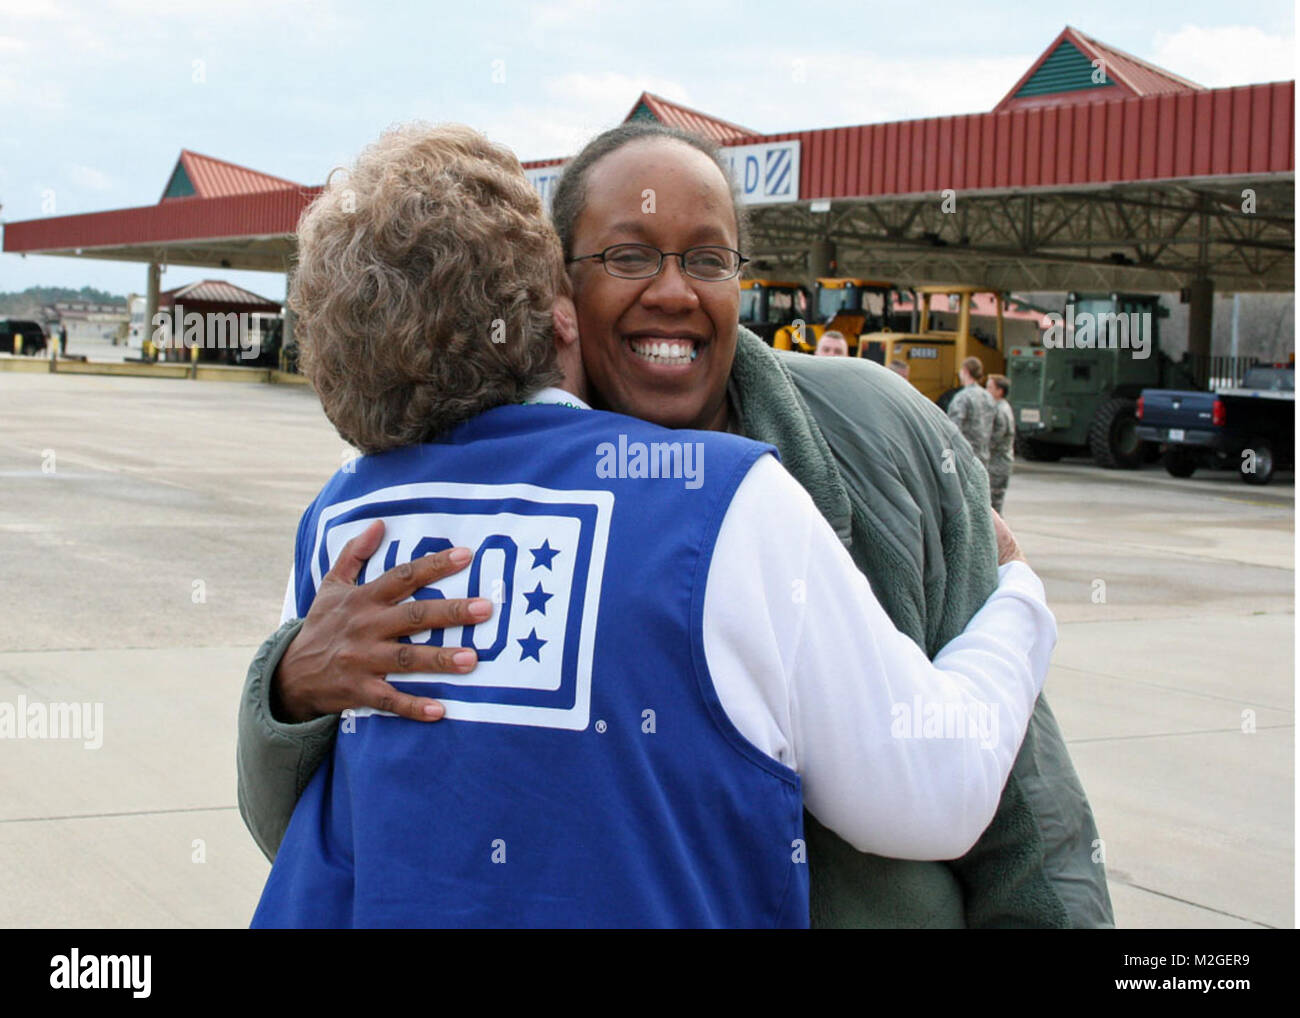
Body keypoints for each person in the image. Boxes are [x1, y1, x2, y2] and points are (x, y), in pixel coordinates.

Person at [238, 122, 1113, 930]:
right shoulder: (724, 502)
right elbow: (935, 789)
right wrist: (287, 688)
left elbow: (1031, 821)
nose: (672, 291)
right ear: (559, 292)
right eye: (627, 255)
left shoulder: (875, 434)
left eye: (708, 259)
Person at [948, 355, 996, 467]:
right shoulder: (988, 396)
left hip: (965, 457)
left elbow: (952, 429)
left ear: (965, 371)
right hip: (983, 456)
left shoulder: (962, 397)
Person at [987, 373, 1015, 514]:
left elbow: (997, 437)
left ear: (1000, 391)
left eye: (990, 387)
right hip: (998, 463)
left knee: (993, 508)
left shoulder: (1000, 410)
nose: (987, 391)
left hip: (997, 464)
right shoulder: (1001, 407)